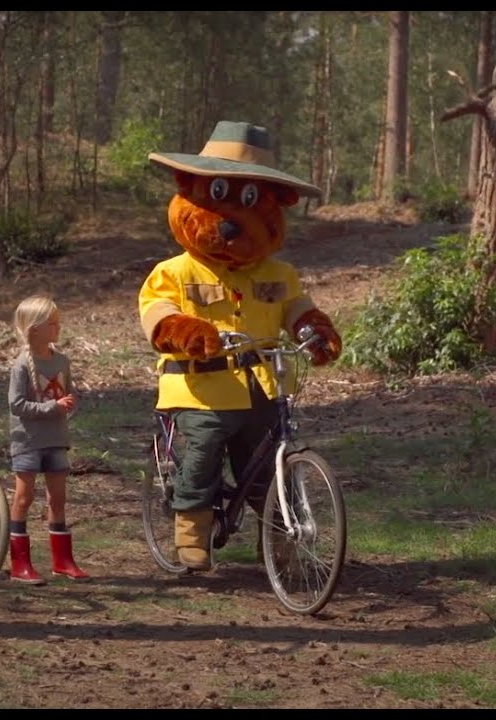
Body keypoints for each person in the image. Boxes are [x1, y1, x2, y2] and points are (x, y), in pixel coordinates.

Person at [137, 120, 342, 570]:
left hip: (260, 386)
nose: (232, 220)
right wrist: (181, 330)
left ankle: (283, 538)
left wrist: (312, 330)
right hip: (199, 389)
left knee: (266, 463)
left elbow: (295, 306)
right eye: (219, 194)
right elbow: (156, 310)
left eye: (250, 199)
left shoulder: (278, 274)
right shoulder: (174, 271)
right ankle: (191, 530)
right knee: (204, 448)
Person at [6, 294, 88, 583]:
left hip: (56, 438)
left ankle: (62, 561)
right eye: (52, 323)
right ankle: (19, 563)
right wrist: (53, 407)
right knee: (24, 497)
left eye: (58, 322)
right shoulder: (21, 365)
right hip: (28, 441)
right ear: (35, 329)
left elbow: (67, 392)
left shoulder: (62, 361)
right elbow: (17, 405)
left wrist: (69, 402)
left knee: (58, 497)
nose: (58, 328)